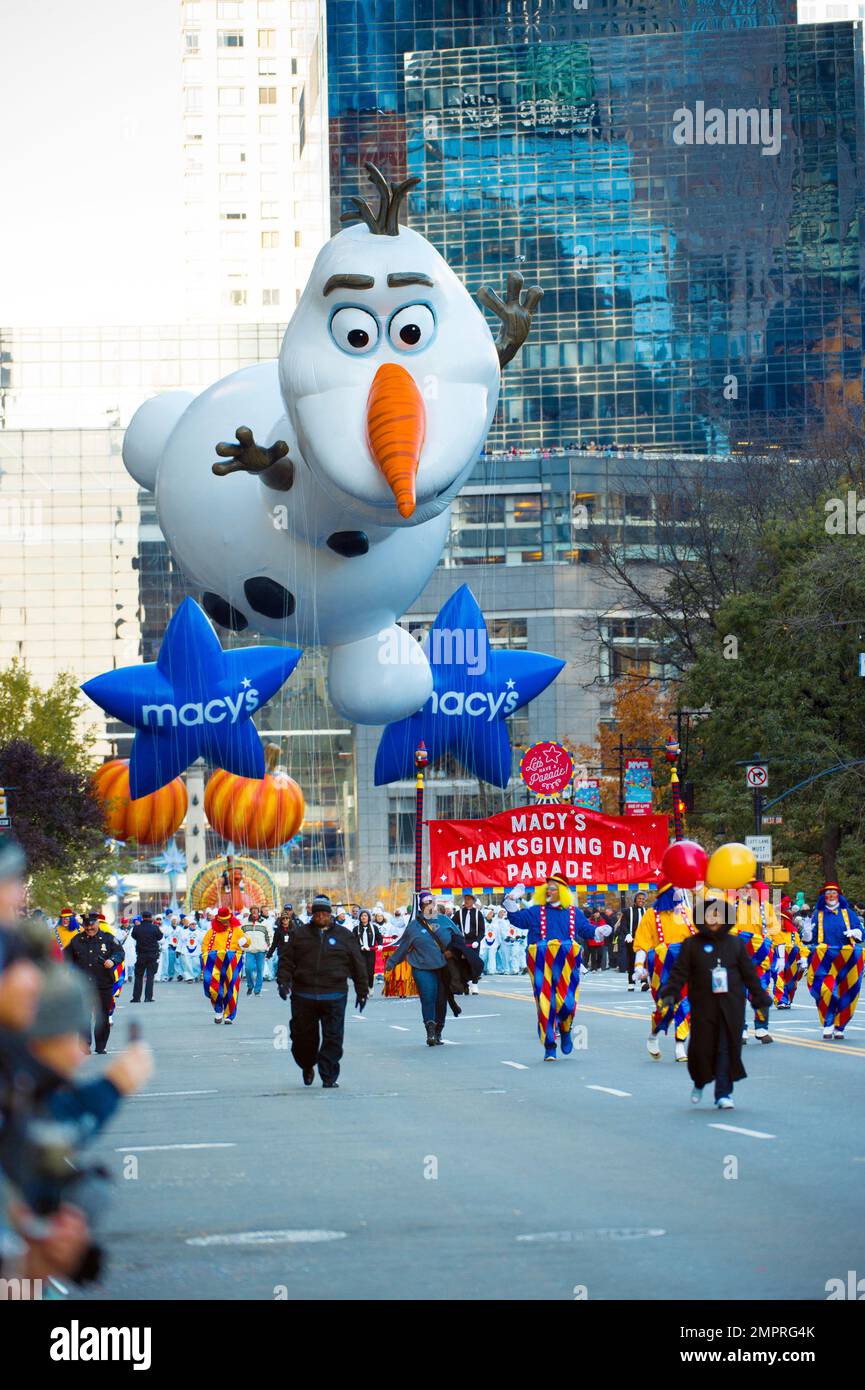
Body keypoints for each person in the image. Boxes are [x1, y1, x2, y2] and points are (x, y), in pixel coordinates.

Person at [659, 889, 773, 1110]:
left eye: (718, 915)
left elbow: (749, 973)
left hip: (731, 1005)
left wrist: (759, 996)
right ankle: (700, 1081)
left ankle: (724, 1093)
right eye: (709, 915)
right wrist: (670, 993)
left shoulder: (736, 944)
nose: (713, 920)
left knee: (726, 1048)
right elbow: (679, 972)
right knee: (701, 1048)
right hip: (703, 1004)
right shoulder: (691, 945)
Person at [502, 877, 606, 1061]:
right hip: (541, 963)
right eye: (547, 889)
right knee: (545, 1004)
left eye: (554, 889)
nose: (549, 892)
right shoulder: (535, 912)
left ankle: (565, 1029)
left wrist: (599, 931)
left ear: (563, 892)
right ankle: (550, 1046)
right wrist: (511, 900)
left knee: (567, 1003)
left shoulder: (573, 913)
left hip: (567, 962)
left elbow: (586, 929)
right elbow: (517, 919)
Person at [277, 893, 367, 1088]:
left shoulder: (344, 935)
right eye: (317, 914)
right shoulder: (299, 935)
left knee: (333, 1037)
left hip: (334, 993)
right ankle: (307, 1065)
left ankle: (328, 1075)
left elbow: (357, 964)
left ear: (330, 914)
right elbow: (286, 960)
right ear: (313, 915)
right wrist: (283, 982)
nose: (321, 917)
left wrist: (362, 990)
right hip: (304, 994)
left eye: (324, 914)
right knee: (302, 1038)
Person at [384, 892, 465, 1045]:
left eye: (431, 903)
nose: (429, 906)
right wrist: (391, 964)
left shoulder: (445, 921)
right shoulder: (414, 926)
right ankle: (430, 1031)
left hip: (443, 967)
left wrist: (454, 952)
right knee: (428, 997)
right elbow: (403, 947)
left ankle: (439, 1030)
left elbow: (459, 939)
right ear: (421, 906)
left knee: (441, 1000)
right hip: (421, 967)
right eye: (426, 904)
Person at [633, 883, 695, 1063]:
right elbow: (642, 943)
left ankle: (679, 1045)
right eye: (675, 891)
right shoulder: (651, 915)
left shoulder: (686, 913)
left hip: (685, 966)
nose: (679, 895)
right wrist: (638, 965)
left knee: (684, 1004)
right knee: (664, 1007)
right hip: (662, 970)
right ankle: (654, 1034)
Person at [801, 881, 864, 1040]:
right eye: (828, 893)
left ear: (839, 896)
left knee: (849, 992)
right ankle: (828, 1022)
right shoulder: (817, 914)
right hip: (825, 959)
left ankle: (840, 1026)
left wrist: (856, 932)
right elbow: (810, 940)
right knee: (825, 990)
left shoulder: (848, 913)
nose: (831, 896)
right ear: (824, 896)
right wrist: (807, 933)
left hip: (847, 958)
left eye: (834, 893)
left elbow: (861, 932)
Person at [64, 912, 125, 1055]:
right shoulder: (77, 940)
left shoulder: (108, 939)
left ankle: (101, 1045)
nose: (89, 928)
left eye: (91, 925)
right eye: (86, 925)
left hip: (103, 983)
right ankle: (84, 1045)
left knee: (102, 1016)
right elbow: (65, 958)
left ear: (97, 923)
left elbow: (120, 953)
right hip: (82, 985)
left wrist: (113, 960)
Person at [733, 880, 783, 1044]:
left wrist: (780, 955)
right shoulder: (728, 906)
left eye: (748, 887)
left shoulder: (765, 907)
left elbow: (775, 930)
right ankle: (740, 1030)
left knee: (761, 991)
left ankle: (762, 1029)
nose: (745, 890)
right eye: (742, 887)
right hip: (735, 958)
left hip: (759, 959)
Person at [200, 907, 249, 1025]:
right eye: (223, 920)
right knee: (211, 986)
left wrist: (245, 942)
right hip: (214, 963)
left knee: (231, 988)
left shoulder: (237, 930)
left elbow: (246, 942)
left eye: (227, 920)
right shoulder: (211, 932)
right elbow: (205, 946)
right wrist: (206, 956)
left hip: (231, 963)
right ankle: (218, 1009)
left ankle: (229, 1015)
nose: (226, 922)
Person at [130, 910, 163, 1003]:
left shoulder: (137, 928)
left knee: (138, 976)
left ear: (142, 917)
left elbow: (134, 936)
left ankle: (136, 998)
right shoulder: (155, 928)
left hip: (141, 954)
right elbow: (160, 937)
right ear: (151, 917)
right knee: (150, 976)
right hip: (152, 954)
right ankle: (148, 997)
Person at [455, 891, 484, 994]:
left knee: (474, 963)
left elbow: (482, 931)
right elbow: (452, 926)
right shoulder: (459, 913)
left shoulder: (478, 914)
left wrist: (478, 941)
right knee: (462, 963)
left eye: (469, 899)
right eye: (465, 899)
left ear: (473, 901)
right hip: (463, 941)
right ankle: (465, 984)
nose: (466, 901)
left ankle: (475, 984)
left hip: (474, 942)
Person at [618, 891, 647, 990]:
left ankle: (644, 982)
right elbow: (623, 924)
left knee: (644, 961)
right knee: (632, 960)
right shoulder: (628, 911)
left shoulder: (646, 911)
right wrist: (627, 934)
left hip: (644, 940)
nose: (641, 900)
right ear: (635, 900)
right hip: (632, 939)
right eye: (639, 898)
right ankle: (631, 982)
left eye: (643, 899)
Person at [243, 907, 272, 997]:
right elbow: (239, 935)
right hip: (249, 950)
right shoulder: (244, 922)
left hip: (261, 950)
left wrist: (268, 947)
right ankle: (250, 985)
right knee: (248, 968)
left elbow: (270, 935)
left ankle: (257, 990)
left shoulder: (265, 922)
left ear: (258, 913)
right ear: (251, 912)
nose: (255, 914)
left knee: (260, 970)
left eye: (256, 912)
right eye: (253, 912)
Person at [354, 908, 382, 995]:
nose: (363, 917)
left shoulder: (374, 928)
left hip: (371, 952)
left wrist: (380, 944)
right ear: (359, 917)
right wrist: (360, 947)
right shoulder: (356, 929)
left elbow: (379, 937)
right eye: (362, 916)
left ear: (368, 917)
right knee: (362, 971)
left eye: (365, 916)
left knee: (370, 972)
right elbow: (352, 941)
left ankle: (370, 986)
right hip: (360, 952)